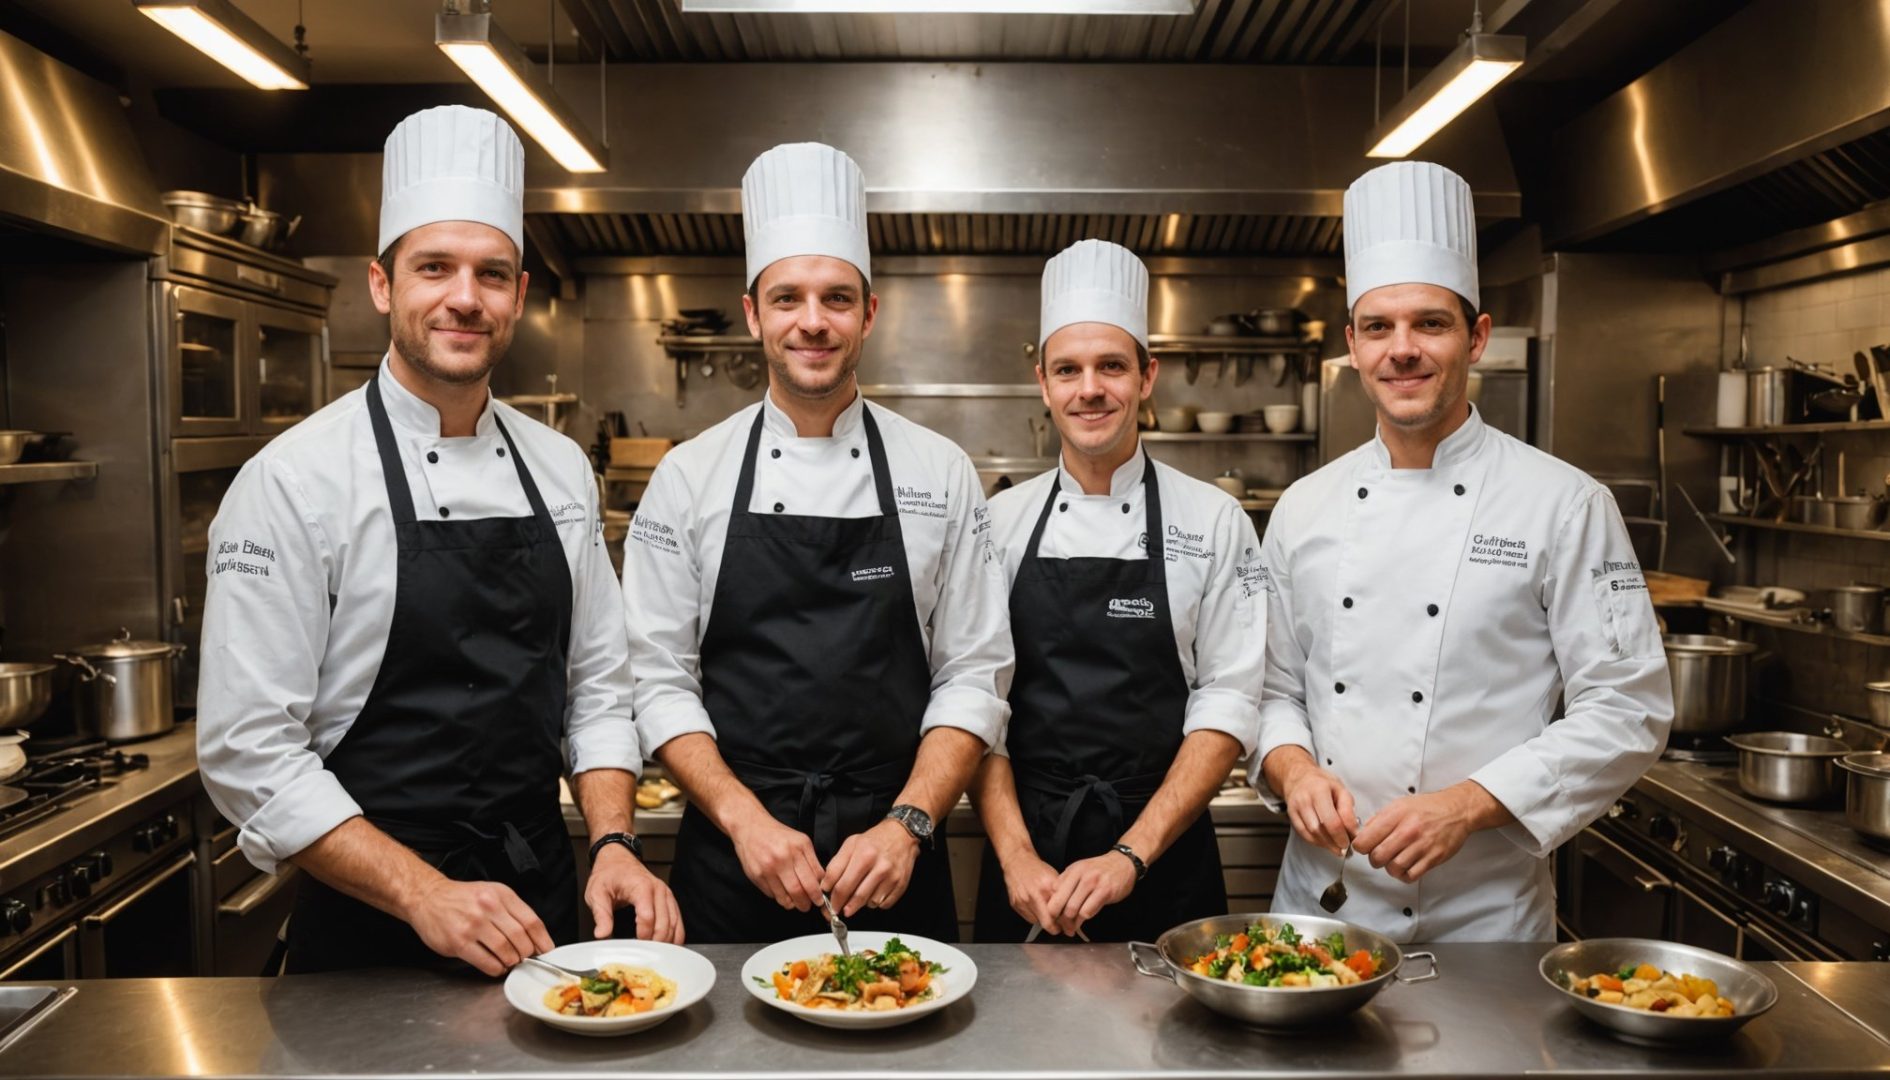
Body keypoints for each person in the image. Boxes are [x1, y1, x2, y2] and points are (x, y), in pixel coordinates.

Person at [197, 106, 678, 976]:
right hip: (364, 921)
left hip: (539, 910)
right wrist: (423, 893)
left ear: (519, 298)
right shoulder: (294, 481)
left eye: (492, 274)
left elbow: (599, 691)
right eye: (434, 268)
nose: (465, 297)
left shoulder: (562, 467)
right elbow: (249, 751)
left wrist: (612, 841)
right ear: (382, 284)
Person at [1252, 161, 1673, 941]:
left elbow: (1627, 707)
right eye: (1378, 327)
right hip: (1317, 913)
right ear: (1352, 345)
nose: (1402, 350)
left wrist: (1467, 803)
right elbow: (1273, 690)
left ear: (1476, 336)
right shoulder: (1303, 509)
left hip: (1486, 926)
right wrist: (1294, 770)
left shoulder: (1566, 504)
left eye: (1430, 324)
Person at [621, 143, 1013, 943]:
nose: (812, 321)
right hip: (736, 856)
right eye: (787, 297)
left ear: (869, 313)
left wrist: (908, 823)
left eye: (836, 298)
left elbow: (974, 672)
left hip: (895, 858)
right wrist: (742, 820)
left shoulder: (939, 471)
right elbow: (657, 680)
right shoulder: (689, 477)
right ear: (753, 312)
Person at [971, 240, 1265, 943]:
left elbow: (1229, 701)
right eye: (1068, 370)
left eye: (1111, 366)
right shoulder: (999, 524)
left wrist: (1131, 853)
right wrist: (1016, 858)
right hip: (1027, 866)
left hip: (1166, 852)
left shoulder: (1214, 520)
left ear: (1146, 377)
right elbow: (975, 700)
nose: (1090, 389)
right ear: (1043, 383)